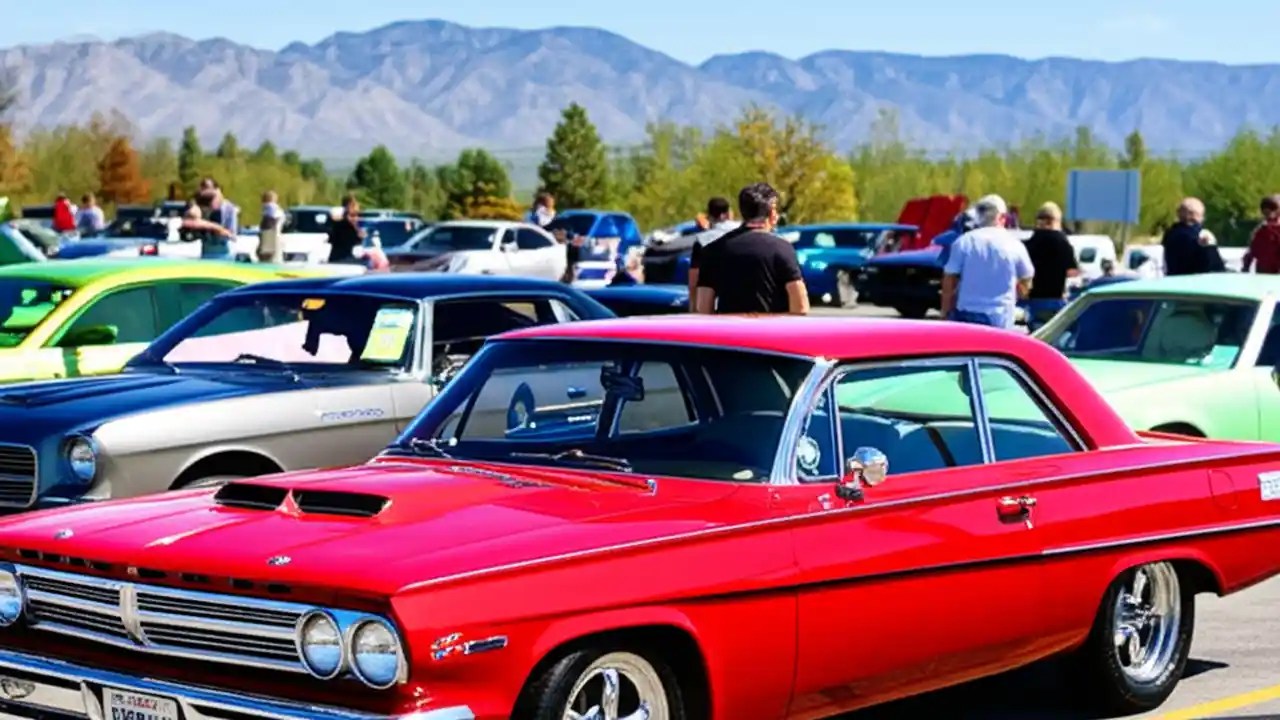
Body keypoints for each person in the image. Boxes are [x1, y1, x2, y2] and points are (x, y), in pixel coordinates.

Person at [694, 183, 808, 315]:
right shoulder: (782, 248)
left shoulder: (713, 250)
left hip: (728, 332)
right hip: (771, 332)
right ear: (771, 212)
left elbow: (703, 309)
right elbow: (800, 306)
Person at [940, 194, 1034, 329]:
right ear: (1003, 217)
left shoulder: (964, 242)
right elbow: (1027, 278)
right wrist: (1018, 292)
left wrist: (945, 312)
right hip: (1001, 317)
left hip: (967, 314)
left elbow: (949, 279)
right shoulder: (1014, 244)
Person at [1021, 202, 1078, 331]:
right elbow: (1072, 271)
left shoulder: (1028, 243)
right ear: (1056, 221)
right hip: (1054, 301)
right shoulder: (1062, 242)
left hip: (1031, 302)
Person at [686, 197, 739, 306]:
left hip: (715, 300)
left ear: (710, 215)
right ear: (726, 214)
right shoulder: (742, 231)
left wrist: (693, 305)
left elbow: (694, 277)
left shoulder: (702, 240)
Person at [1161, 197, 1224, 275]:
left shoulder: (1170, 234)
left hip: (1173, 281)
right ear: (1196, 216)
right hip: (1197, 283)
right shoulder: (1203, 235)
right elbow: (1216, 267)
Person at [1244, 194, 1280, 274]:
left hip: (1265, 271)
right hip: (1268, 270)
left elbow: (1251, 252)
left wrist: (1245, 267)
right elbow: (1252, 251)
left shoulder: (1260, 230)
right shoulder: (1261, 230)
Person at [326, 194, 364, 264]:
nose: (356, 218)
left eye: (358, 215)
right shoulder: (341, 226)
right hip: (340, 261)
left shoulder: (356, 227)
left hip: (348, 258)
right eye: (352, 215)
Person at [257, 190, 285, 263]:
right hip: (275, 238)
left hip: (270, 238)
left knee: (269, 260)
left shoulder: (270, 210)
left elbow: (268, 228)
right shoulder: (279, 211)